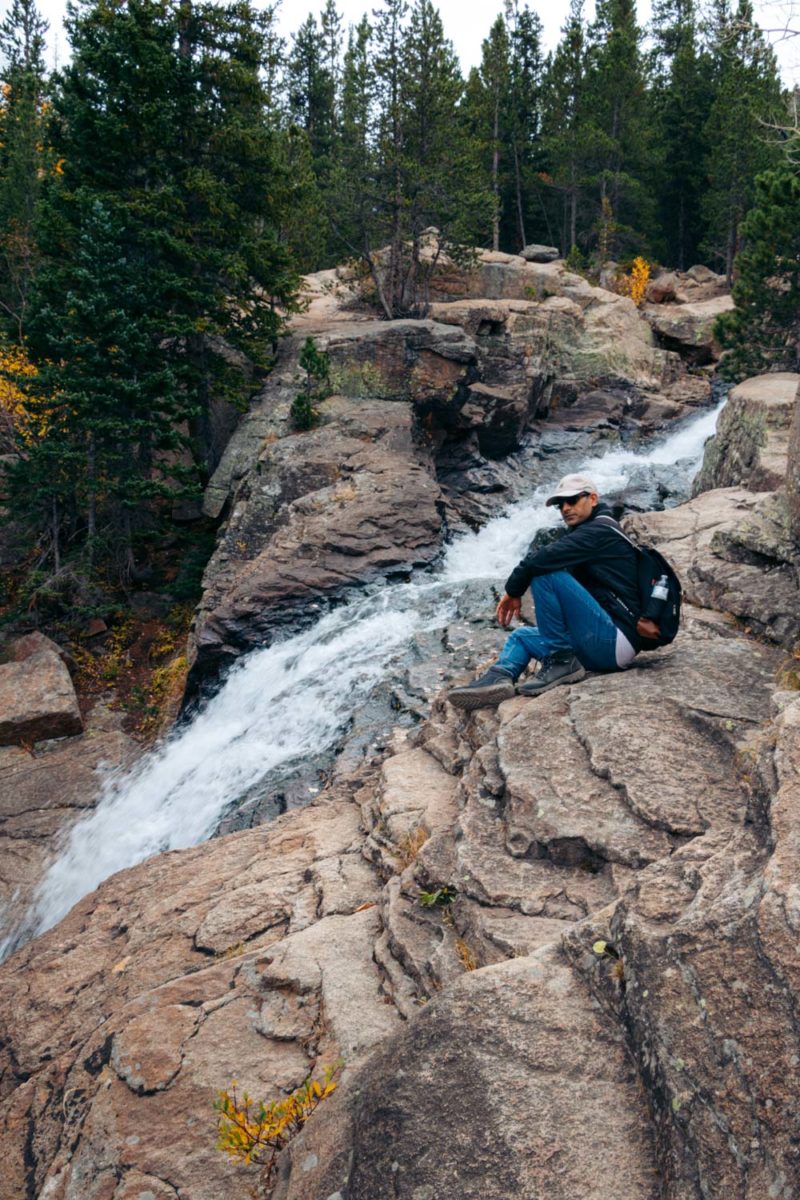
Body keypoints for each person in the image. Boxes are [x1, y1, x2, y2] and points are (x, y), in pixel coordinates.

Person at [448, 473, 654, 711]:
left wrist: (513, 590)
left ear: (593, 499)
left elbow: (539, 560)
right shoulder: (586, 532)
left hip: (615, 640)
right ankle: (499, 679)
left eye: (573, 500)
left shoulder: (600, 531)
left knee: (545, 574)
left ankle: (561, 660)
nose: (566, 508)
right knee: (521, 637)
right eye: (561, 505)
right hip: (599, 640)